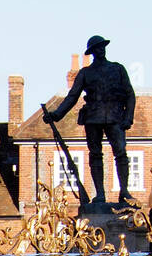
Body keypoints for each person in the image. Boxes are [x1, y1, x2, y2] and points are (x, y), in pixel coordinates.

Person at [43, 35, 136, 206]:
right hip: (93, 117)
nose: (101, 49)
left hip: (115, 116)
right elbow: (72, 97)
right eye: (98, 47)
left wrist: (128, 117)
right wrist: (56, 114)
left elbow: (130, 94)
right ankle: (100, 194)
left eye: (102, 46)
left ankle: (124, 190)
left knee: (121, 153)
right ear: (92, 52)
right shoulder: (86, 73)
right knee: (95, 155)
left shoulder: (118, 69)